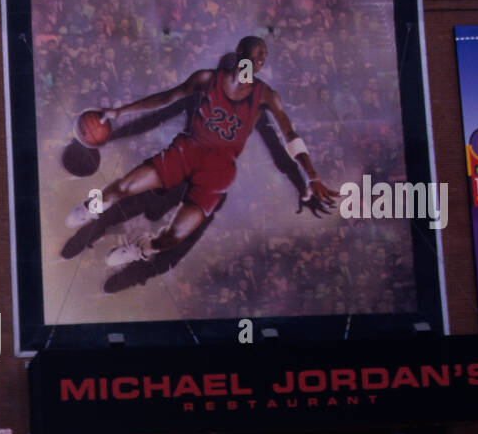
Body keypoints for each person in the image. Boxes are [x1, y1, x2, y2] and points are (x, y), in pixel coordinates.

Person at [65, 35, 337, 272]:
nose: (262, 61)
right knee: (123, 187)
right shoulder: (207, 79)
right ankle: (90, 208)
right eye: (257, 55)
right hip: (188, 150)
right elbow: (166, 98)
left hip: (219, 171)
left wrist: (311, 176)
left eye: (265, 56)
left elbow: (290, 136)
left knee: (173, 237)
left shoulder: (267, 96)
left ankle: (141, 249)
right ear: (240, 53)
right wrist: (120, 112)